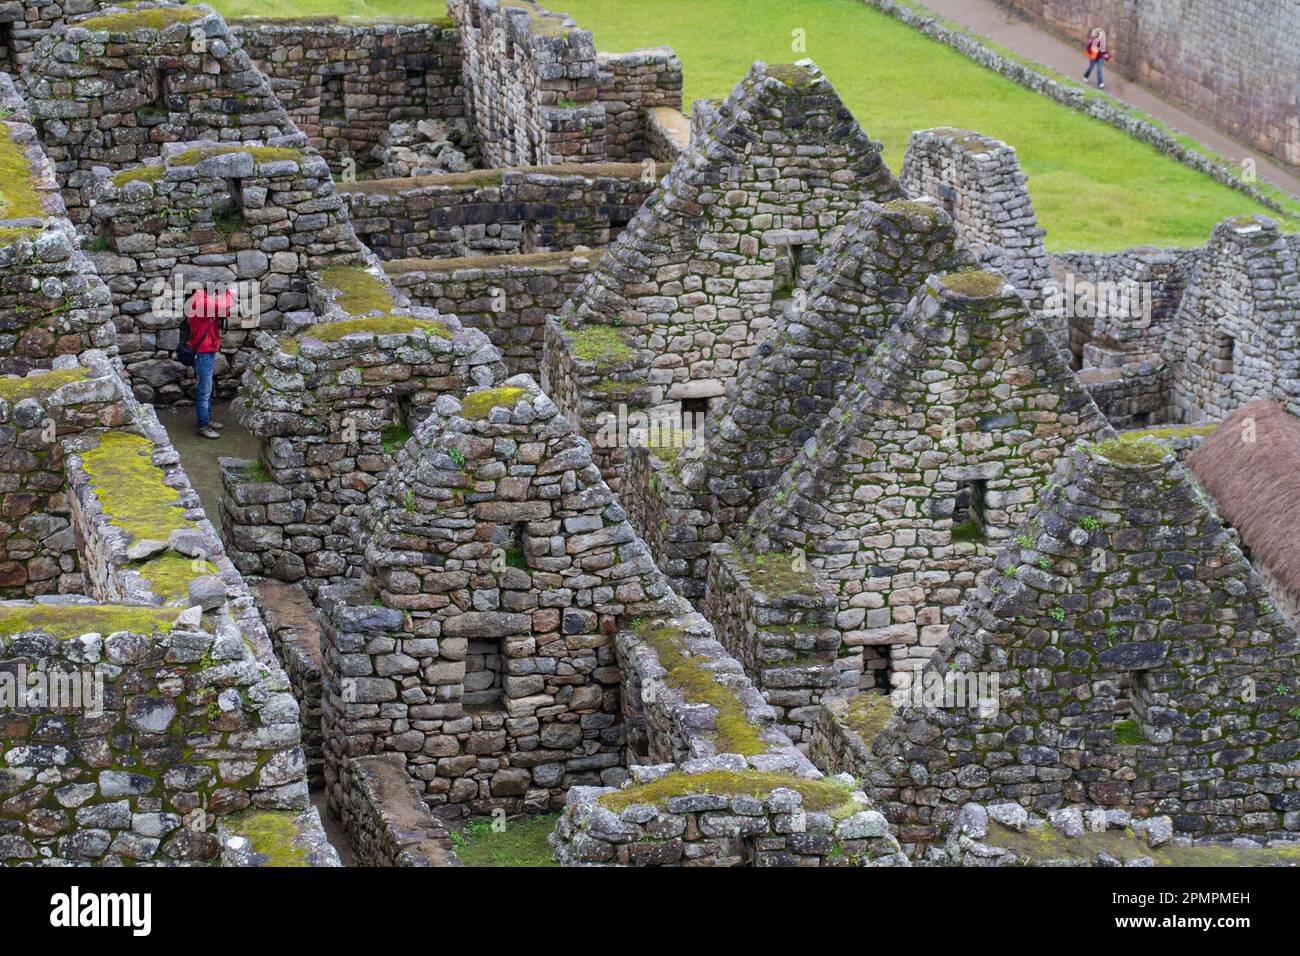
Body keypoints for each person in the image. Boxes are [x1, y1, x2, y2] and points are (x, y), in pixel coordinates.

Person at [186, 285, 236, 439]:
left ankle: (206, 420)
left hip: (207, 351)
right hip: (203, 352)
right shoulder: (200, 301)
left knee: (206, 389)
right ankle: (203, 426)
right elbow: (223, 305)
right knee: (204, 390)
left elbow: (223, 310)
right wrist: (230, 294)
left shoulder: (204, 299)